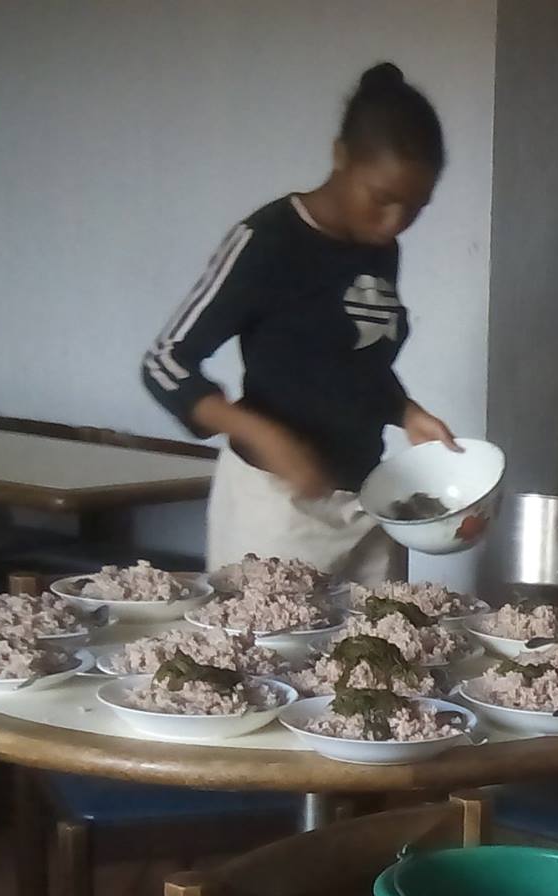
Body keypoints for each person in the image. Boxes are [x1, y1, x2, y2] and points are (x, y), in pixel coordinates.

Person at [141, 62, 459, 582]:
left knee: (384, 654)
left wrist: (406, 410)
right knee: (265, 657)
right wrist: (261, 433)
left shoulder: (381, 251)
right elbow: (164, 363)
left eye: (416, 207)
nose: (395, 223)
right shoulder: (267, 241)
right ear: (340, 157)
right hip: (276, 508)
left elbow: (352, 358)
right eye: (382, 198)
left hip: (367, 500)